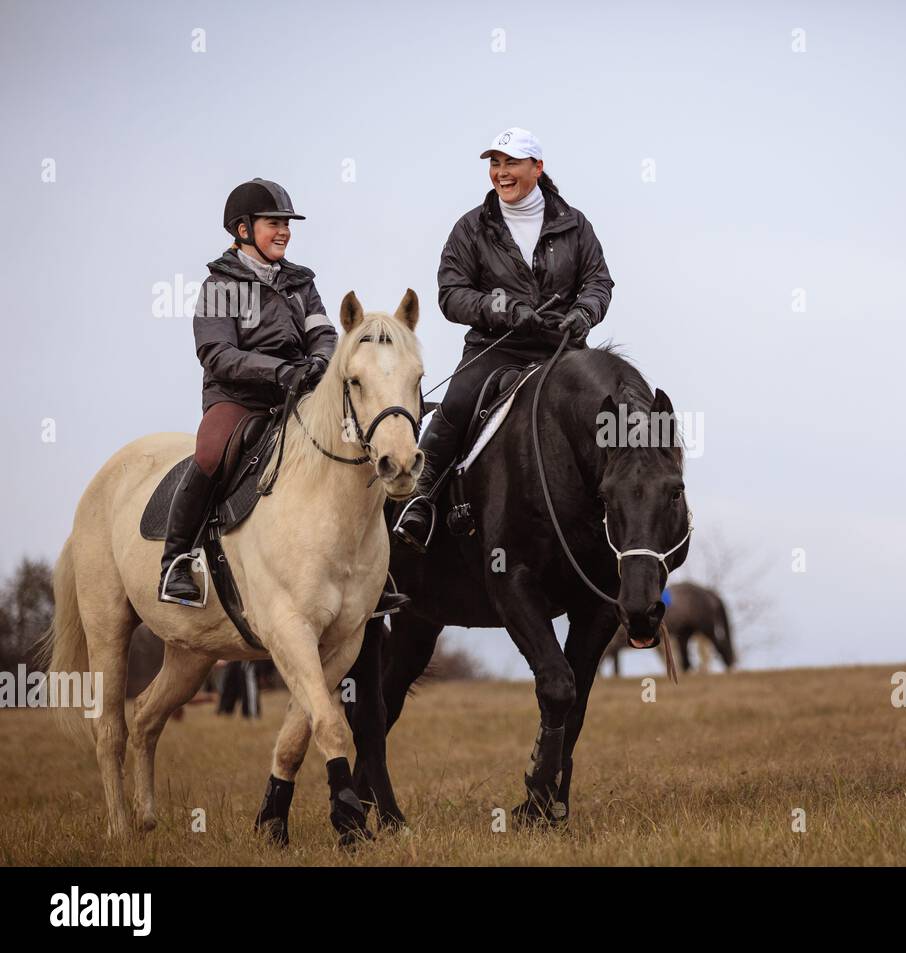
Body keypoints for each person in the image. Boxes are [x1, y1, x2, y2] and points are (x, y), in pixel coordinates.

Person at [160, 178, 407, 617]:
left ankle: (375, 574)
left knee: (365, 449)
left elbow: (325, 333)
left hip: (301, 394)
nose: (284, 231)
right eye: (274, 223)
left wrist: (320, 361)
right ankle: (177, 560)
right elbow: (217, 354)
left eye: (287, 224)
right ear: (242, 229)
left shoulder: (301, 282)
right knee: (211, 453)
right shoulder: (219, 286)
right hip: (238, 398)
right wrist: (281, 371)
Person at [393, 128, 615, 550]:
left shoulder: (575, 224)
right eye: (495, 163)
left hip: (561, 349)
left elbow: (598, 281)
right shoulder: (471, 227)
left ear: (537, 167)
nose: (501, 172)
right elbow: (451, 293)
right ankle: (420, 500)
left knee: (608, 409)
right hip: (498, 347)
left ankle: (620, 512)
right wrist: (504, 309)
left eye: (510, 162)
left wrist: (585, 313)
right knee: (456, 404)